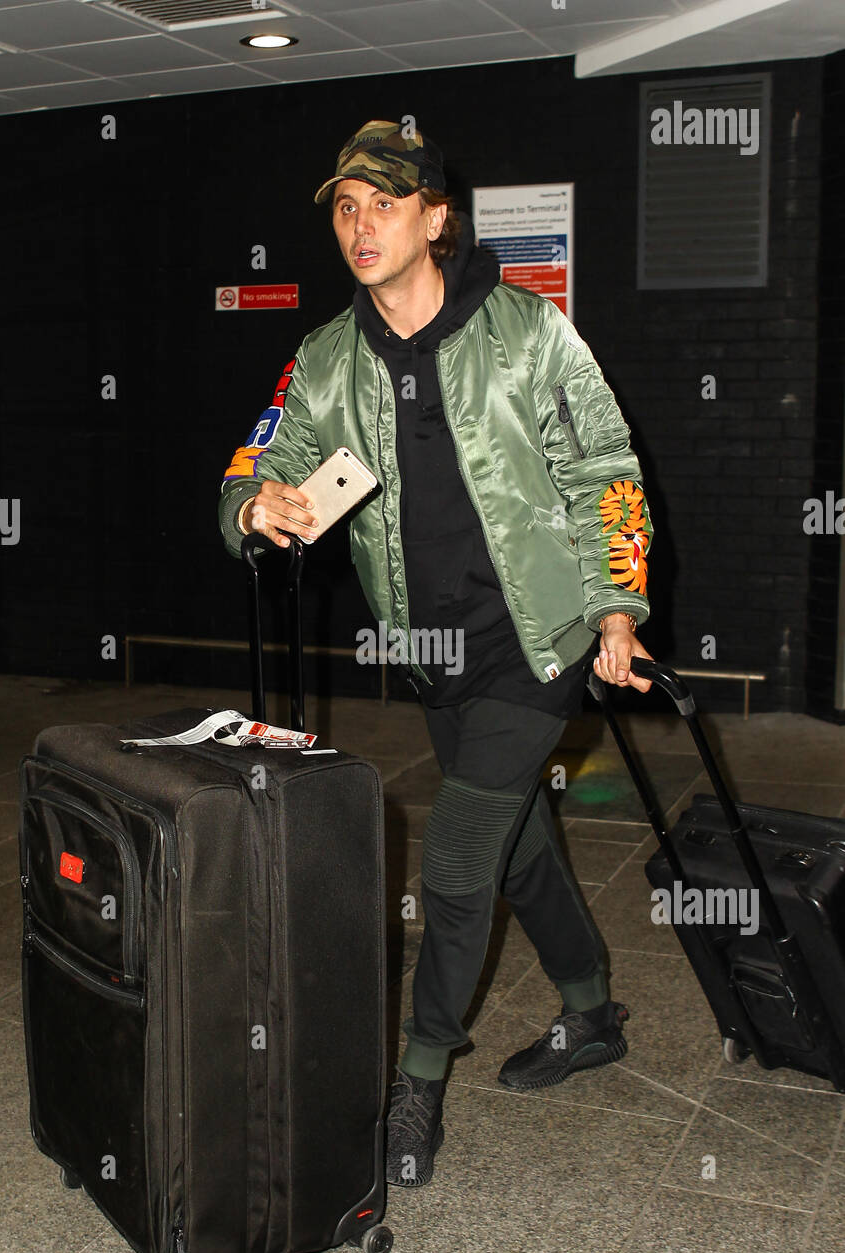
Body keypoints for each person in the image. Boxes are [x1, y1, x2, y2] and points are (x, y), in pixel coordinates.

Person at [218, 119, 655, 1189]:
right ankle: (593, 1011)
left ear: (435, 216)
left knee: (459, 860)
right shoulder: (325, 359)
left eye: (383, 203)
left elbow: (606, 465)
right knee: (515, 845)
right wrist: (251, 507)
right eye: (344, 207)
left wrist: (616, 605)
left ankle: (412, 1085)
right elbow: (258, 455)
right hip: (432, 653)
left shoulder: (528, 333)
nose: (361, 225)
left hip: (537, 639)